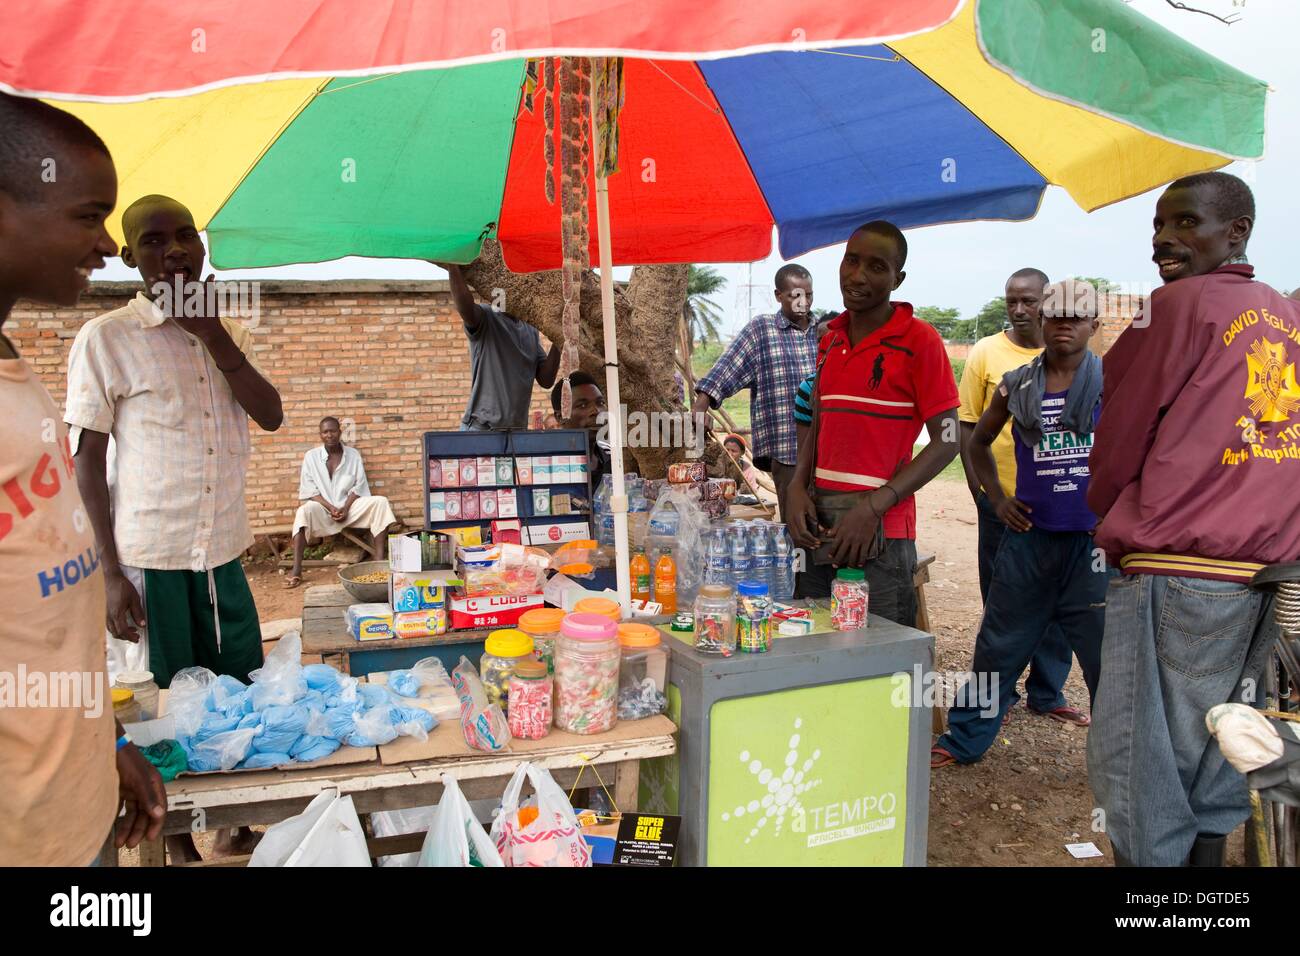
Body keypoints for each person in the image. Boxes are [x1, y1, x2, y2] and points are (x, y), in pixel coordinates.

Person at [1087, 171, 1299, 867]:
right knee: (1216, 756)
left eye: (1185, 223)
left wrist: (1109, 512)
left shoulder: (1175, 307)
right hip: (1261, 576)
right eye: (1159, 224)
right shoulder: (1283, 316)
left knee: (1143, 769)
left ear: (1236, 232)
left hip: (1178, 571)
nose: (1164, 241)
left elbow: (1119, 436)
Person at [66, 193, 283, 860]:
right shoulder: (108, 339)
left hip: (221, 547)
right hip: (151, 553)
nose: (176, 249)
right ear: (130, 257)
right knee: (169, 693)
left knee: (235, 681)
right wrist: (107, 575)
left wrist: (213, 334)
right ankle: (177, 830)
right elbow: (87, 459)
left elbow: (270, 414)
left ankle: (235, 815)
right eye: (154, 240)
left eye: (185, 234)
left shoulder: (229, 330)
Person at [0, 92, 164, 865]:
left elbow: (40, 630)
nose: (106, 244)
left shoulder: (17, 378)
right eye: (87, 215)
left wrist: (107, 742)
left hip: (79, 808)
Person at [932, 283, 1105, 767]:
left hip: (1092, 546)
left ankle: (1120, 759)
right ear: (1043, 323)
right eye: (1055, 316)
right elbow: (977, 442)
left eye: (1076, 316)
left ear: (1094, 325)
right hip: (1028, 540)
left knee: (1106, 660)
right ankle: (963, 741)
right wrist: (998, 498)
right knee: (998, 646)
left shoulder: (1114, 384)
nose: (1064, 324)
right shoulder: (1017, 384)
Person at [785, 222, 959, 625]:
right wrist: (797, 485)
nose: (858, 275)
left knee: (878, 658)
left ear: (897, 279)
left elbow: (948, 440)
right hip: (819, 526)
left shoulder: (920, 341)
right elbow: (820, 419)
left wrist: (875, 505)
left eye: (877, 267)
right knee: (815, 648)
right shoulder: (829, 340)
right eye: (852, 260)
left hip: (881, 533)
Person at [958, 269, 1085, 726]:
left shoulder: (1078, 359)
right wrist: (983, 493)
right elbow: (969, 425)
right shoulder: (987, 354)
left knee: (1062, 605)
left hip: (1066, 509)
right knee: (1003, 604)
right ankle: (998, 694)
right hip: (1006, 505)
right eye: (1012, 300)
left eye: (1029, 301)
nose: (1019, 309)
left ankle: (1047, 692)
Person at [693, 264, 818, 520]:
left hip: (828, 451)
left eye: (809, 295)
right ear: (778, 295)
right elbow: (726, 369)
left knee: (829, 523)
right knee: (797, 525)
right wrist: (699, 407)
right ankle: (800, 561)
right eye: (795, 295)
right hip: (786, 451)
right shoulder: (762, 330)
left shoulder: (826, 331)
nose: (803, 302)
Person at [437, 262, 560, 430]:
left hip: (516, 433)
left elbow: (546, 380)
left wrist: (561, 337)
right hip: (482, 429)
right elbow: (466, 309)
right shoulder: (488, 318)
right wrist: (453, 268)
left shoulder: (530, 329)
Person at [286, 416, 399, 588]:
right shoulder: (311, 457)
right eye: (325, 432)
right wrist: (331, 507)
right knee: (304, 512)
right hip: (323, 508)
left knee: (380, 502)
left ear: (340, 432)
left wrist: (345, 508)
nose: (329, 435)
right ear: (320, 435)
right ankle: (296, 569)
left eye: (333, 431)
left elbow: (359, 486)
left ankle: (379, 561)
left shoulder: (353, 455)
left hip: (349, 507)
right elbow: (309, 490)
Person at [550, 371, 611, 488]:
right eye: (583, 405)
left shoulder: (614, 458)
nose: (597, 411)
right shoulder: (548, 464)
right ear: (560, 417)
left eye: (600, 403)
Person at [722, 433, 776, 499]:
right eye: (727, 450)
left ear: (742, 452)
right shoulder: (717, 465)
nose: (729, 454)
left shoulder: (746, 468)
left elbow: (753, 491)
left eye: (734, 451)